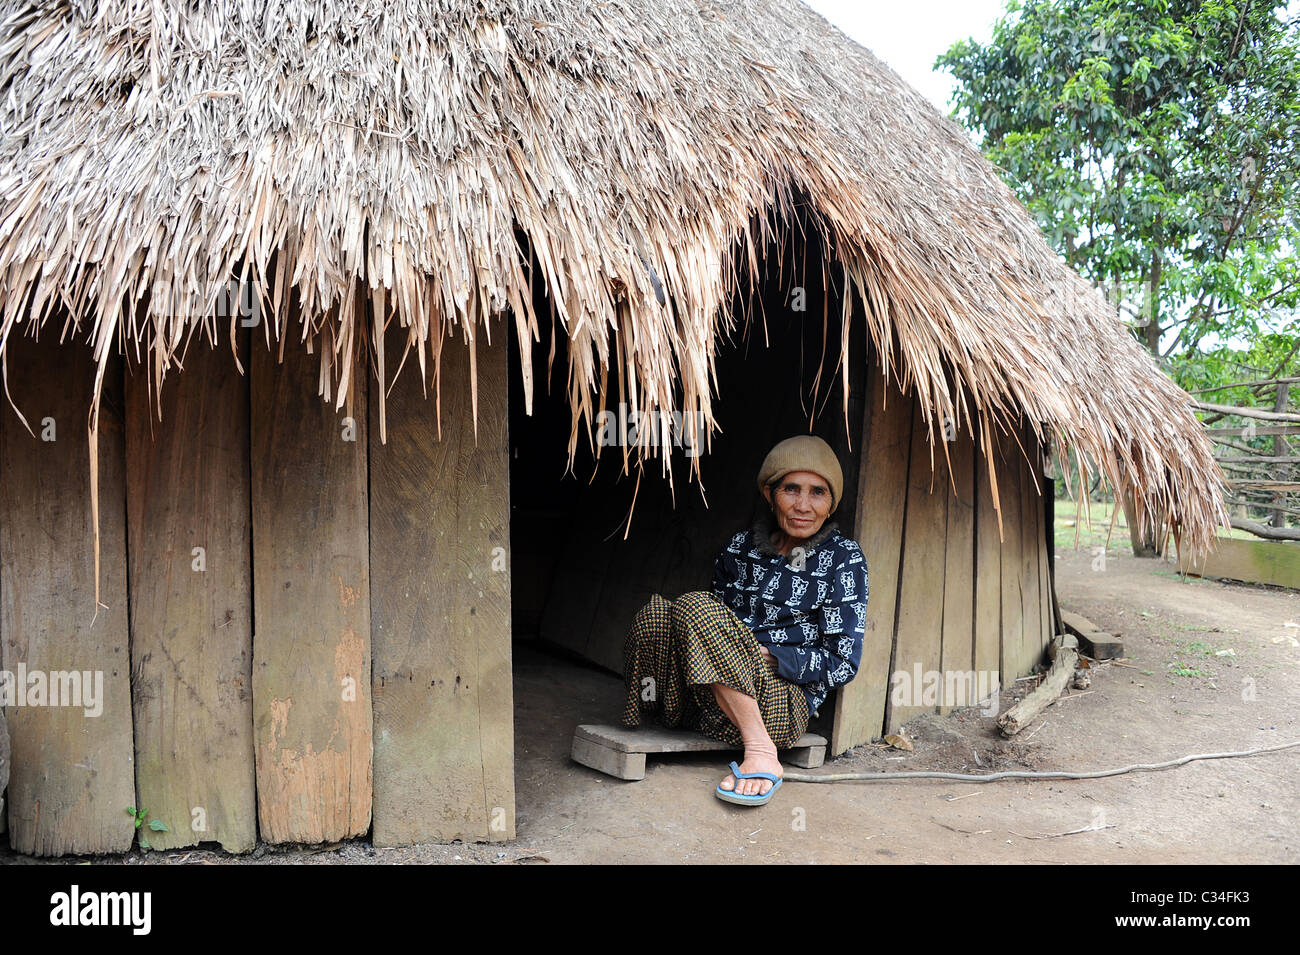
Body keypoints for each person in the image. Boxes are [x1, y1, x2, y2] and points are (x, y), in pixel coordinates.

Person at [621, 434, 869, 805]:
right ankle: (656, 717)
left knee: (695, 605)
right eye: (791, 489)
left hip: (779, 706)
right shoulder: (740, 547)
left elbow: (842, 662)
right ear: (770, 494)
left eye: (818, 492)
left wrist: (772, 655)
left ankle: (762, 752)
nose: (803, 505)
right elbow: (708, 631)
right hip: (710, 706)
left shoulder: (843, 559)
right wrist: (732, 648)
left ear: (832, 503)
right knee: (657, 613)